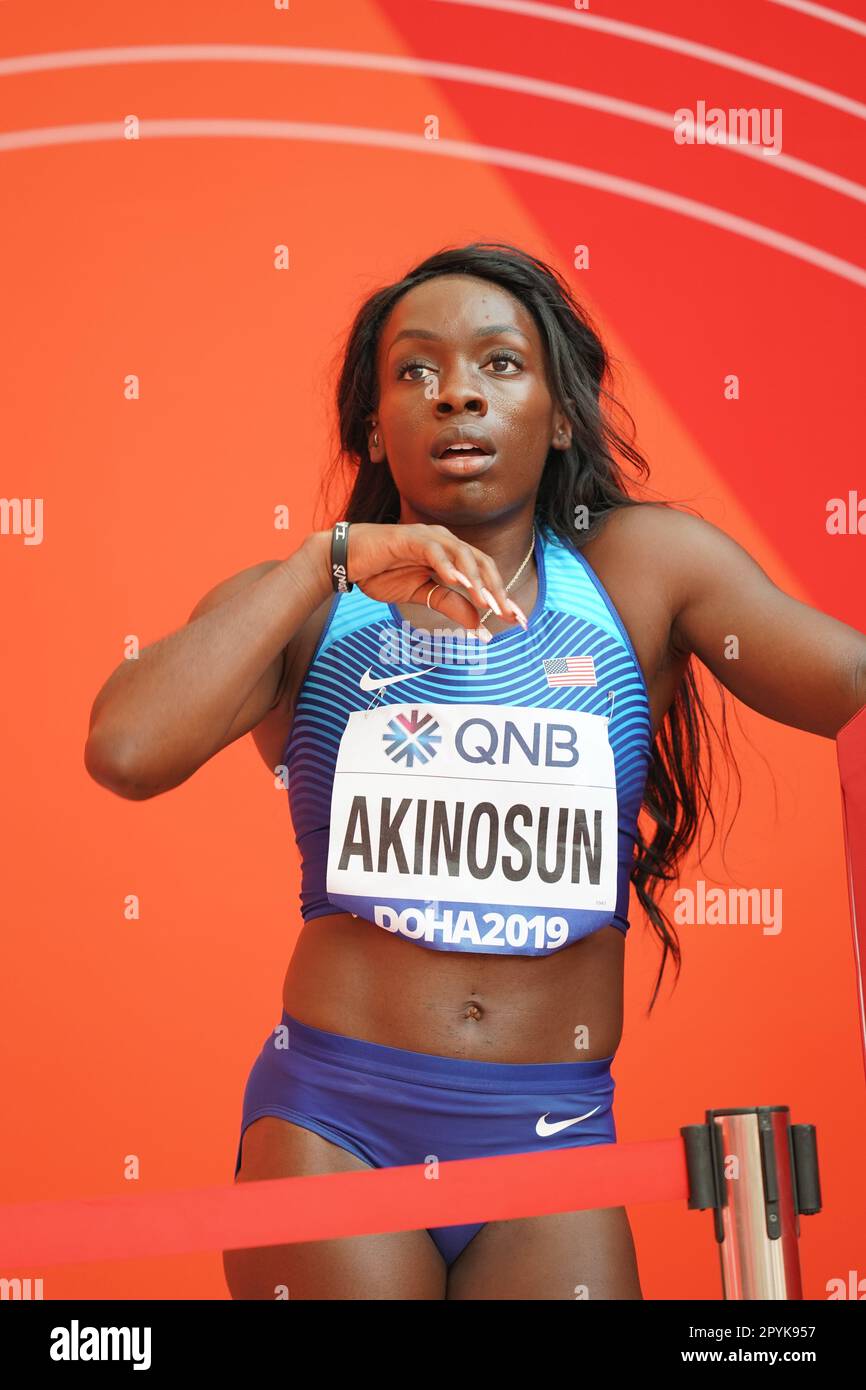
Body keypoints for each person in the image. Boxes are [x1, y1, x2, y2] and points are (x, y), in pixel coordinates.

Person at [84, 242, 866, 1301]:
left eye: (499, 364)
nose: (454, 391)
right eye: (413, 371)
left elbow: (849, 683)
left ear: (557, 415)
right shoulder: (307, 598)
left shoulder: (643, 570)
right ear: (372, 425)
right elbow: (125, 750)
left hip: (553, 1132)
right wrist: (322, 560)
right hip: (335, 1121)